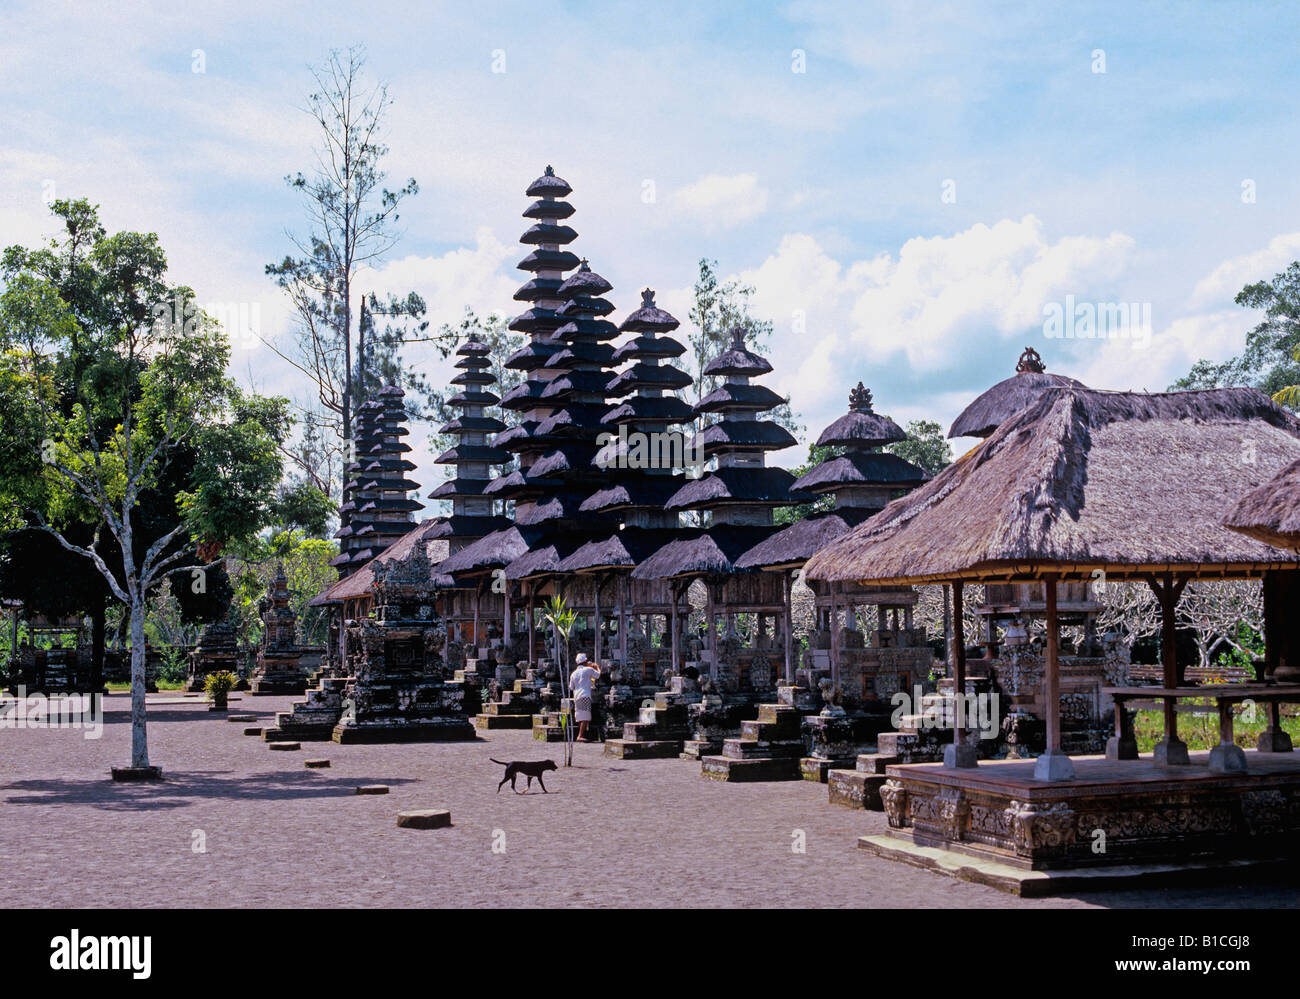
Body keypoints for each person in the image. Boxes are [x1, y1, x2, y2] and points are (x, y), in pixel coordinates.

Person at [568, 652, 601, 742]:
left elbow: (571, 687)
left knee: (580, 716)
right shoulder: (588, 670)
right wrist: (596, 667)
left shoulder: (573, 674)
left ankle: (581, 735)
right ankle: (580, 735)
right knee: (585, 717)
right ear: (585, 662)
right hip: (585, 695)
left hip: (577, 696)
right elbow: (598, 675)